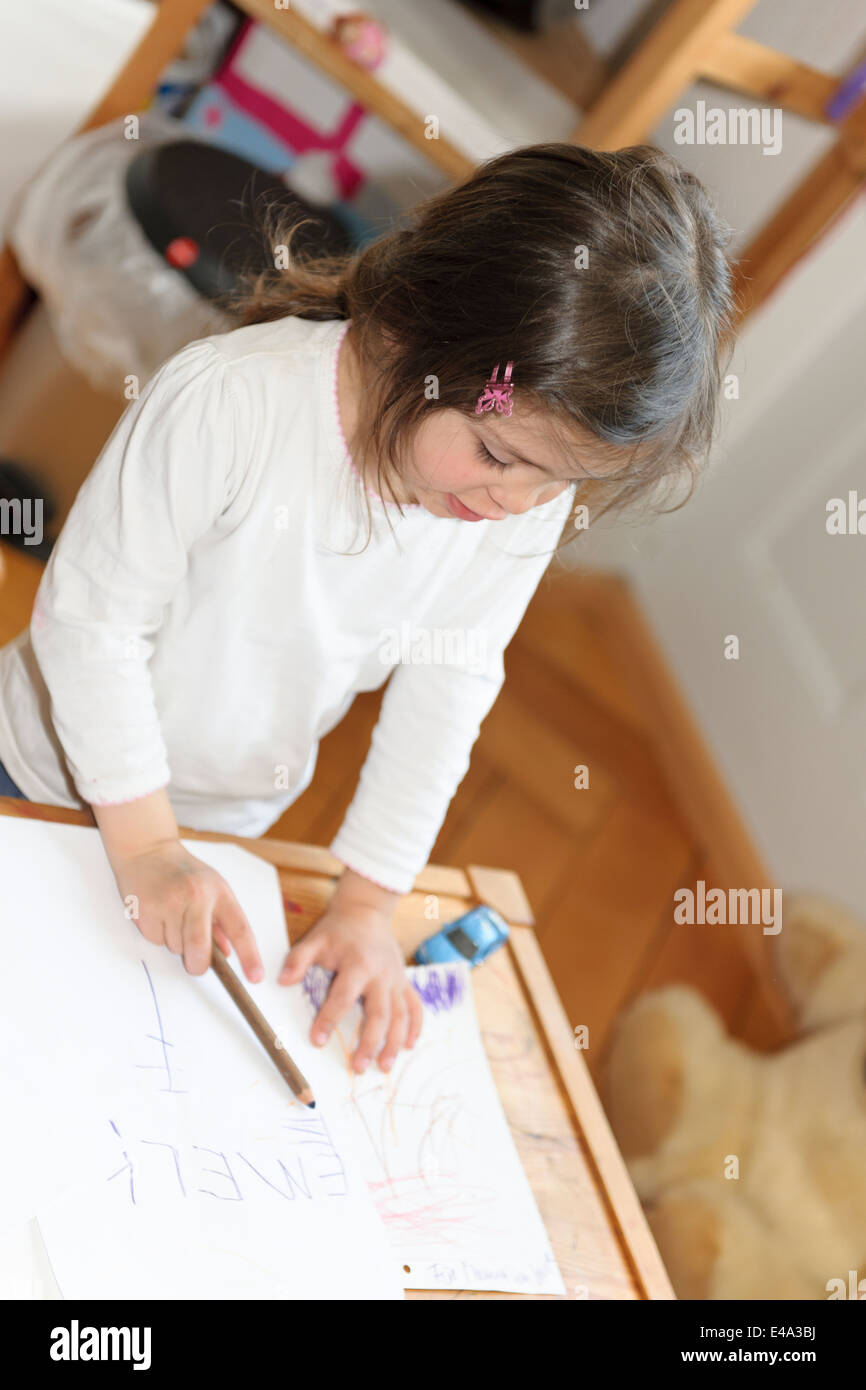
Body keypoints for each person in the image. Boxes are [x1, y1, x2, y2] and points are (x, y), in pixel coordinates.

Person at [0, 142, 736, 1074]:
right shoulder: (231, 402)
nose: (518, 503)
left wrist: (364, 907)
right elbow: (90, 626)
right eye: (499, 456)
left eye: (563, 483)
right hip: (41, 776)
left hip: (218, 826)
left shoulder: (508, 507)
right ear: (409, 332)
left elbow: (448, 690)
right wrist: (144, 844)